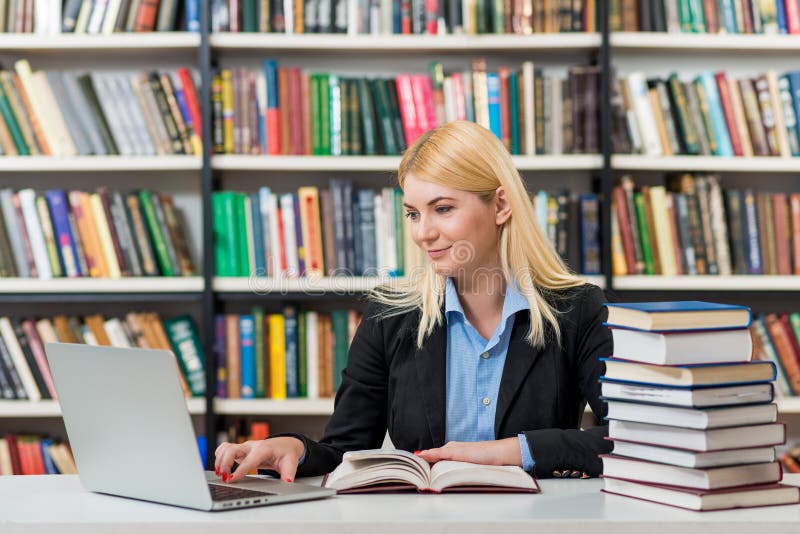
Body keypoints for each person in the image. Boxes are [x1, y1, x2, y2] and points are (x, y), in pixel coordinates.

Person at [214, 120, 613, 484]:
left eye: (442, 209)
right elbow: (345, 448)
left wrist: (506, 452)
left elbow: (629, 440)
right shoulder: (391, 314)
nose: (423, 233)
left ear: (501, 206)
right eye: (412, 214)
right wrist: (294, 448)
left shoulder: (577, 310)